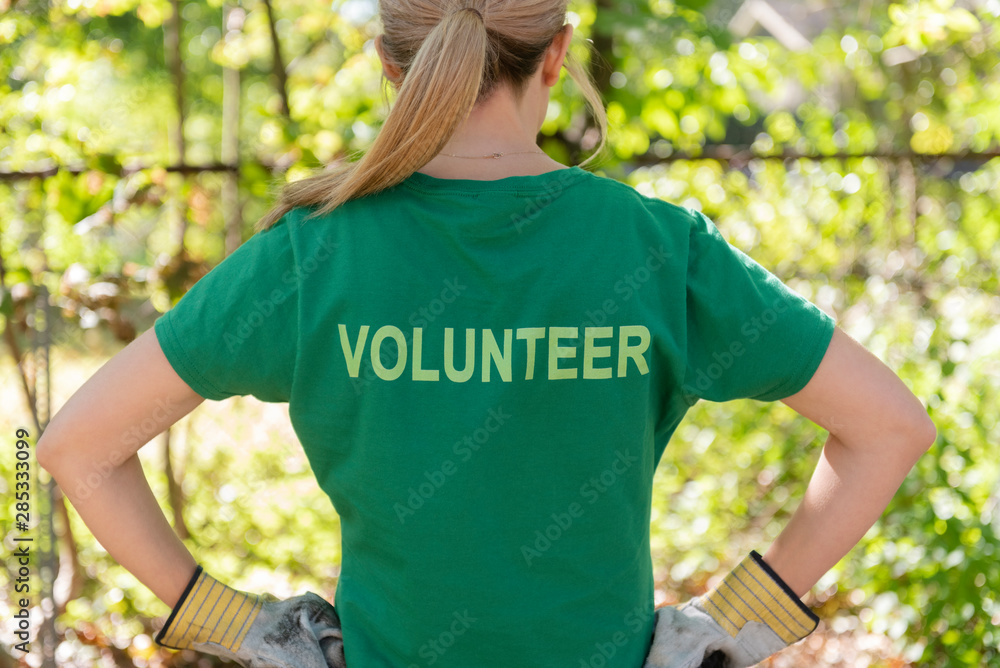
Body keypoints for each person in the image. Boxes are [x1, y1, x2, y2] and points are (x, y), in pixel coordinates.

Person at [36, 0, 937, 666]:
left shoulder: (311, 258)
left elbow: (79, 447)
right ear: (557, 55)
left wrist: (240, 628)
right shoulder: (657, 248)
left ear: (390, 67)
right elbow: (889, 428)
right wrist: (736, 627)